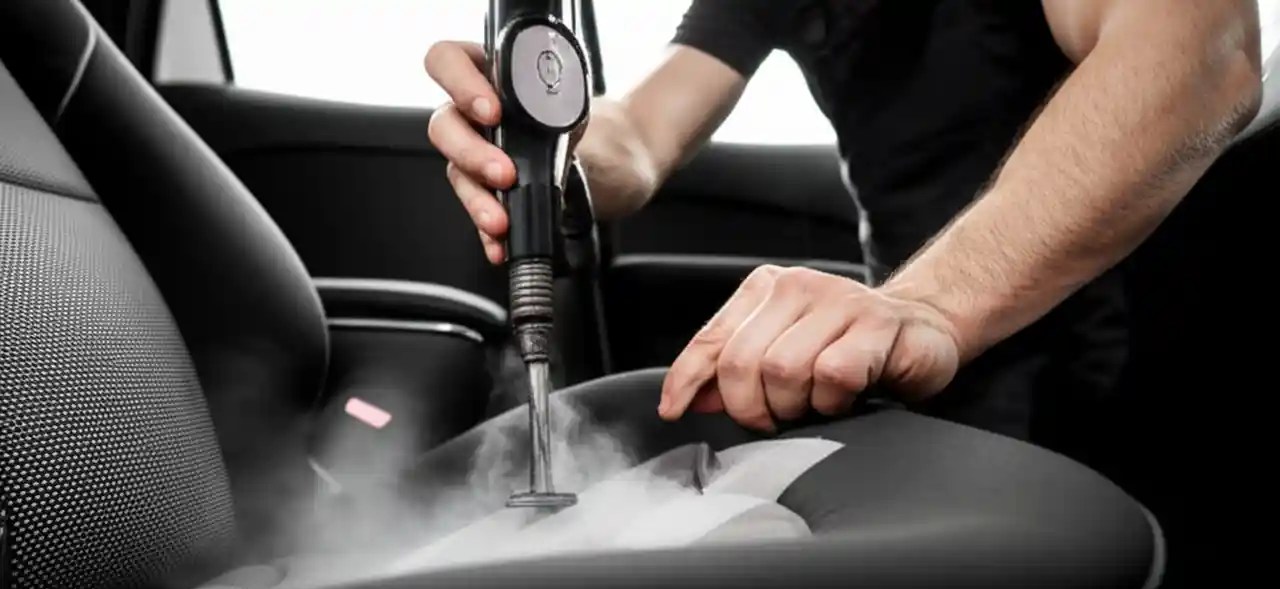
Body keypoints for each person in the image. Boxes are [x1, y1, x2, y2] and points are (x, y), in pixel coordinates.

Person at [424, 0, 1262, 463]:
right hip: (920, 367)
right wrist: (551, 144)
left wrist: (931, 304)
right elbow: (641, 135)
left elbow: (1197, 51)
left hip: (1106, 365)